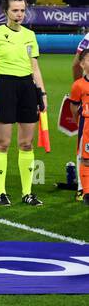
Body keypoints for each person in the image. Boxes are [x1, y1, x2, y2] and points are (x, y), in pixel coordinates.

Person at [0, 0, 48, 206]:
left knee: (26, 143)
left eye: (22, 10)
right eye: (15, 10)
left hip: (27, 88)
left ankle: (27, 192)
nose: (19, 14)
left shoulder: (30, 35)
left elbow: (35, 67)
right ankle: (1, 192)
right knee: (3, 143)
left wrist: (42, 93)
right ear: (6, 12)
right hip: (4, 88)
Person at [69, 48, 89, 205]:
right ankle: (83, 189)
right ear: (82, 64)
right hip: (86, 127)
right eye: (88, 59)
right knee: (84, 157)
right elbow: (74, 108)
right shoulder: (78, 85)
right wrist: (80, 122)